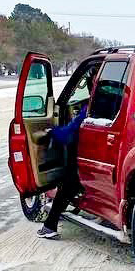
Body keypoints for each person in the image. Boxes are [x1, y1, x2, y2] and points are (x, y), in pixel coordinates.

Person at [37, 100, 90, 240]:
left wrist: (52, 131)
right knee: (70, 184)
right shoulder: (116, 99)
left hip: (86, 161)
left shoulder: (92, 106)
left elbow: (68, 134)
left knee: (67, 185)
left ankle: (49, 227)